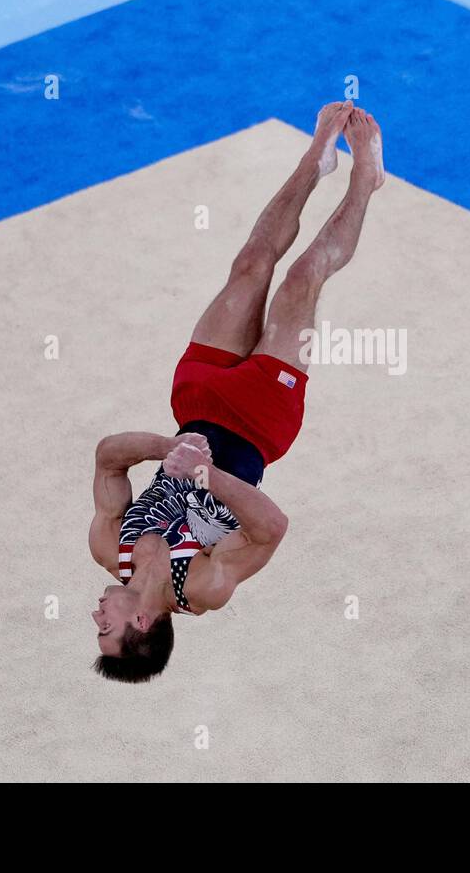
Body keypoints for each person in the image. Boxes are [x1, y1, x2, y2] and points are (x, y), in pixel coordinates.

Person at [89, 102, 385, 682]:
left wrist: (168, 449)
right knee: (303, 278)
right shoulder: (202, 586)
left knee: (251, 263)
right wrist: (202, 473)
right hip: (259, 422)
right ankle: (365, 182)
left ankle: (316, 160)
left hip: (194, 402)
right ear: (141, 623)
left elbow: (106, 457)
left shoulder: (109, 548)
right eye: (105, 628)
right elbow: (271, 528)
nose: (96, 615)